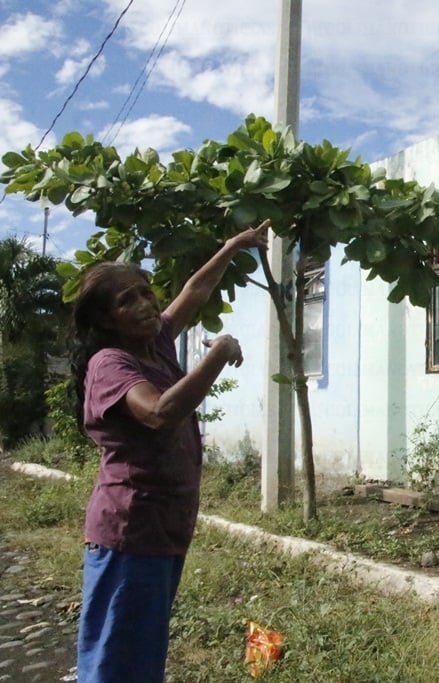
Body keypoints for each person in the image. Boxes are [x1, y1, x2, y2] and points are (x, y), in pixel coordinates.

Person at [69, 220, 270, 683]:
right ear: (104, 319)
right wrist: (217, 354)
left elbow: (195, 292)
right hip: (130, 530)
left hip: (161, 526)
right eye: (126, 301)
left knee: (140, 649)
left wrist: (234, 245)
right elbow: (160, 412)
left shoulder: (153, 343)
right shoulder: (110, 363)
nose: (144, 305)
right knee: (116, 656)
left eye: (145, 292)